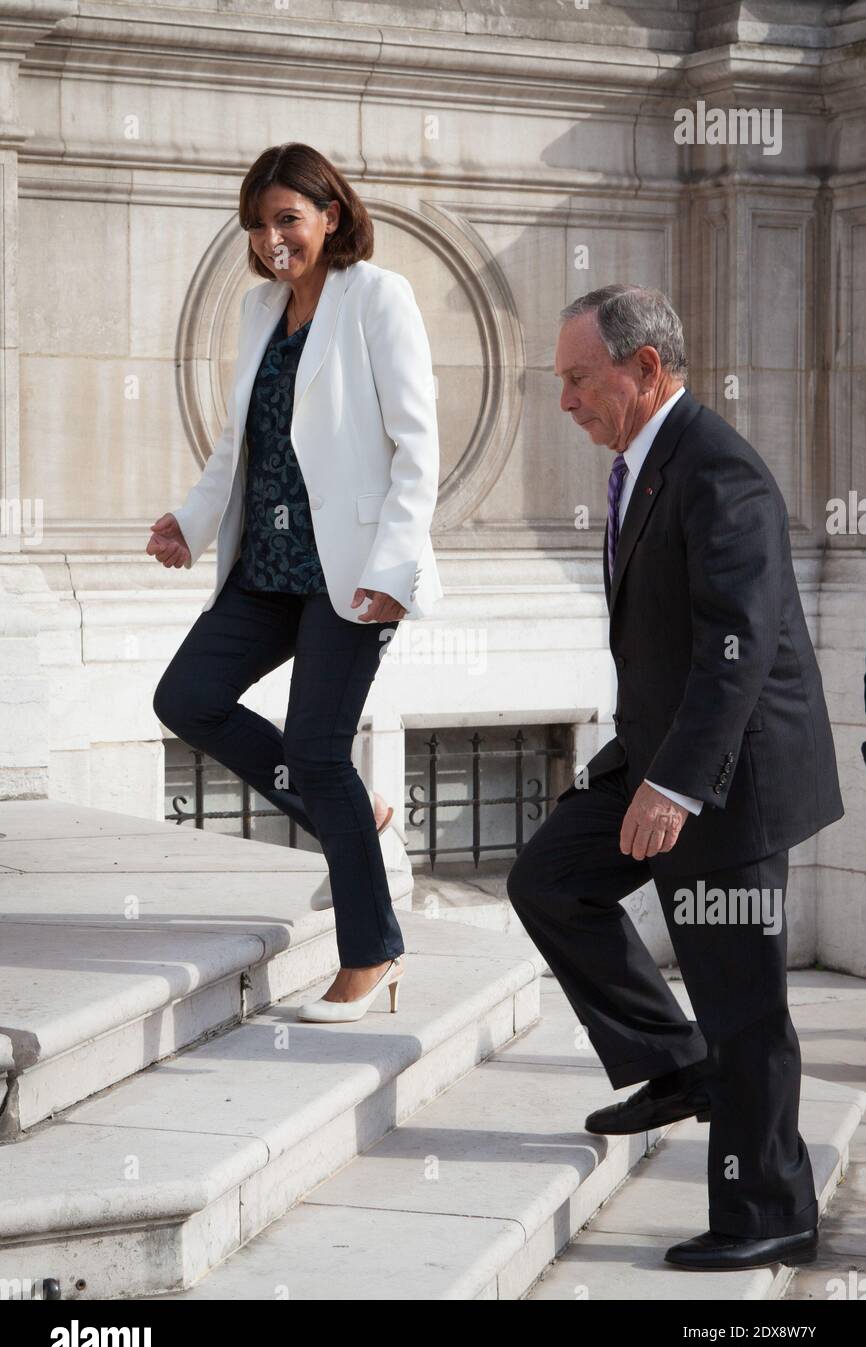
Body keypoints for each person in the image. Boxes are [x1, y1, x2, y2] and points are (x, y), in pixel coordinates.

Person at [506, 284, 844, 1272]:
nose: (563, 399)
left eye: (577, 377)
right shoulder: (641, 466)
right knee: (548, 879)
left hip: (729, 773)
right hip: (660, 748)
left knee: (741, 1004)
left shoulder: (717, 470)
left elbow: (733, 643)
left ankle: (767, 1211)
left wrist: (678, 785)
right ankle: (668, 1057)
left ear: (643, 369)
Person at [149, 143, 443, 1022]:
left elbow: (416, 447)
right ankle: (355, 821)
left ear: (331, 216)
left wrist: (396, 566)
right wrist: (192, 523)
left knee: (318, 751)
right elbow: (239, 443)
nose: (275, 238)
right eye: (261, 223)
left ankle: (373, 952)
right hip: (267, 568)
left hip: (350, 573)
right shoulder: (258, 311)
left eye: (290, 218)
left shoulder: (376, 299)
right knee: (188, 698)